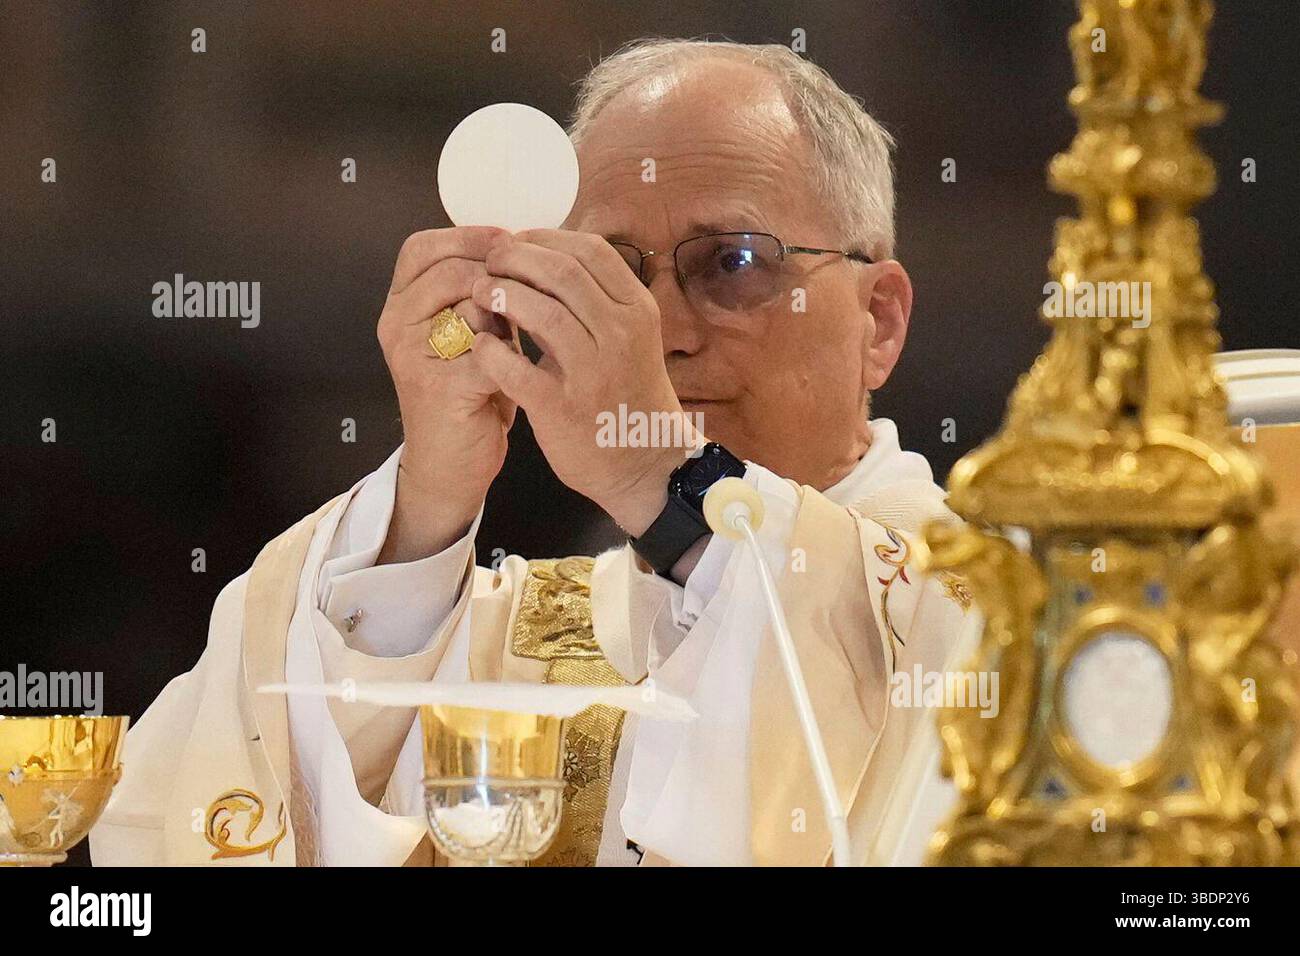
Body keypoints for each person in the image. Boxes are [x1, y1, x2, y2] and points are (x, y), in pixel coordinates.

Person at [91, 37, 980, 867]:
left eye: (733, 262)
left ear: (880, 321)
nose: (655, 331)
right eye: (610, 274)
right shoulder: (510, 632)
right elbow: (209, 796)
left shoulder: (1002, 612)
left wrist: (657, 477)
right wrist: (427, 503)